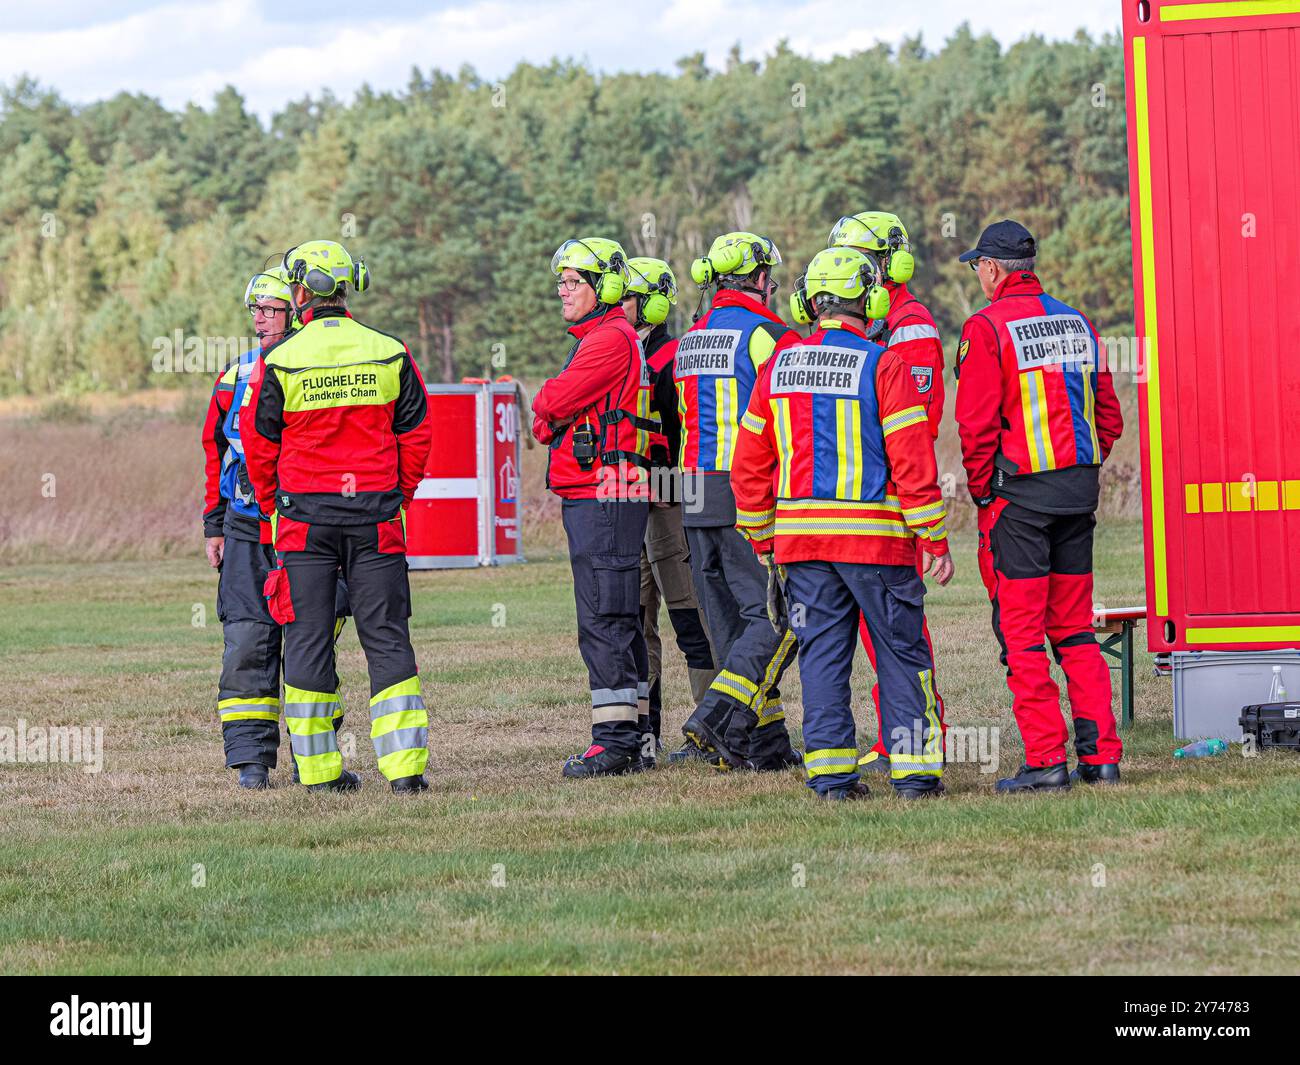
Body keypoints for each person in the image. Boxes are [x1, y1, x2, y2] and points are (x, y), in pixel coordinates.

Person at [731, 246, 953, 799]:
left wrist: (761, 535)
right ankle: (914, 775)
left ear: (811, 301)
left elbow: (750, 462)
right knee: (902, 653)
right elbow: (912, 459)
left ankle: (832, 777)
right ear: (871, 299)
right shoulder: (885, 365)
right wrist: (934, 537)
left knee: (822, 659)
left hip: (804, 548)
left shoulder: (778, 367)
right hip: (877, 547)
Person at [241, 239, 433, 794]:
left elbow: (258, 444)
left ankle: (322, 773)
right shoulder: (389, 350)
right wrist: (398, 493)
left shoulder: (279, 361)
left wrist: (277, 501)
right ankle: (404, 773)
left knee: (306, 641)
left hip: (303, 522)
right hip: (376, 518)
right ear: (348, 286)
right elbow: (417, 431)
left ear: (300, 291)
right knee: (387, 636)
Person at [954, 220, 1124, 792]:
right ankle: (1101, 759)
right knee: (1074, 629)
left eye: (978, 265)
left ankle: (1047, 762)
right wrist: (1081, 467)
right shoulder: (1076, 321)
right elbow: (1110, 417)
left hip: (1019, 502)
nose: (978, 274)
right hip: (1077, 494)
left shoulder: (985, 328)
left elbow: (975, 427)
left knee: (1022, 634)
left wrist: (983, 490)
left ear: (995, 268)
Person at [201, 267, 348, 789]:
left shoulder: (326, 370)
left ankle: (318, 762)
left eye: (270, 307)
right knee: (246, 643)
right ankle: (250, 764)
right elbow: (216, 452)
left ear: (297, 310)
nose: (259, 317)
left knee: (312, 646)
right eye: (255, 309)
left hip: (310, 532)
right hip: (246, 533)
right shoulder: (235, 375)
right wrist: (214, 524)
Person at [671, 232, 799, 771]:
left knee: (726, 620)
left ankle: (759, 746)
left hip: (691, 490)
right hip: (743, 489)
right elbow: (794, 418)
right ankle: (719, 714)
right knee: (778, 614)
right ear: (761, 279)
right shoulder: (770, 335)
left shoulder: (690, 338)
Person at [827, 211, 949, 773]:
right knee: (872, 630)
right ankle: (892, 737)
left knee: (897, 631)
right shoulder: (872, 323)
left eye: (863, 259)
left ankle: (918, 736)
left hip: (894, 498)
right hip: (862, 498)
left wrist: (913, 502)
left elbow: (916, 421)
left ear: (889, 264)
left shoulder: (911, 323)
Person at [532, 237, 657, 778]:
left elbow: (550, 404)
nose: (563, 289)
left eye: (574, 281)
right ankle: (640, 735)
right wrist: (549, 413)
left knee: (604, 617)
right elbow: (547, 417)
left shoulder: (607, 340)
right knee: (620, 614)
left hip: (602, 494)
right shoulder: (604, 337)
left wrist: (548, 409)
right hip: (607, 492)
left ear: (603, 287)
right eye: (560, 281)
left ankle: (614, 742)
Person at [622, 257, 718, 753]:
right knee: (634, 623)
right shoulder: (615, 353)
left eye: (628, 297)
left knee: (690, 618)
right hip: (626, 500)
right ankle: (643, 733)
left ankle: (711, 728)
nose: (618, 304)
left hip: (670, 499)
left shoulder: (674, 356)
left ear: (653, 303)